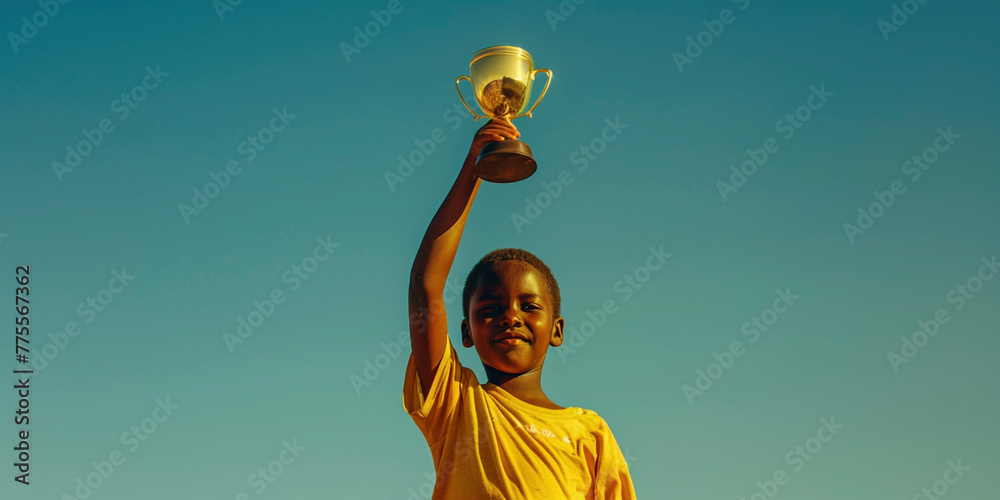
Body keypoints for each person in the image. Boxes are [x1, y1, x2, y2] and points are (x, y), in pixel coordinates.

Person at [404, 118, 637, 499]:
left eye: (529, 306)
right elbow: (424, 289)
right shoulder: (458, 403)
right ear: (466, 332)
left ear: (557, 329)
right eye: (491, 308)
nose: (510, 316)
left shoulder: (589, 432)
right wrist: (474, 168)